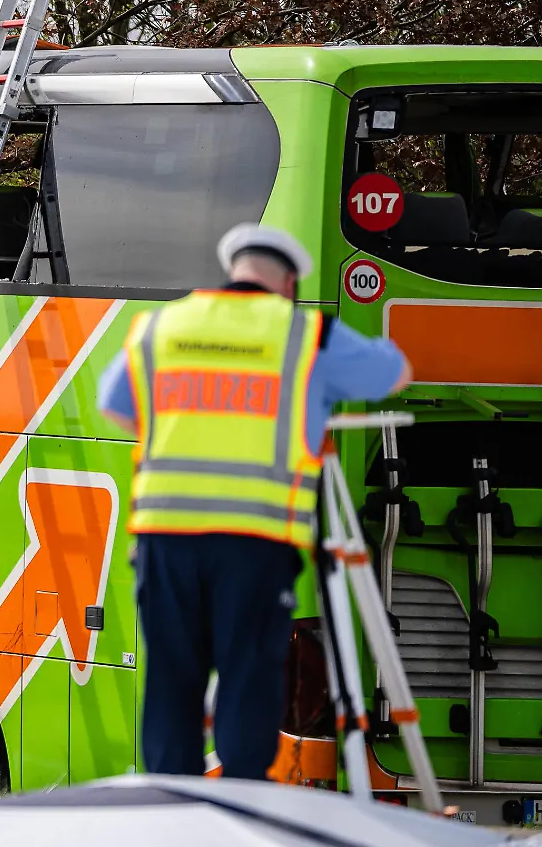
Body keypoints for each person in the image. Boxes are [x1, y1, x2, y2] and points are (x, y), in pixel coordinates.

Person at [96, 224, 411, 780]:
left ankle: (172, 808)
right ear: (287, 282)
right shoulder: (304, 335)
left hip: (165, 537)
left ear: (232, 269)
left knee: (172, 677)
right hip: (254, 541)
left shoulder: (161, 327)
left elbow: (116, 405)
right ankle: (241, 805)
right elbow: (394, 373)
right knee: (248, 673)